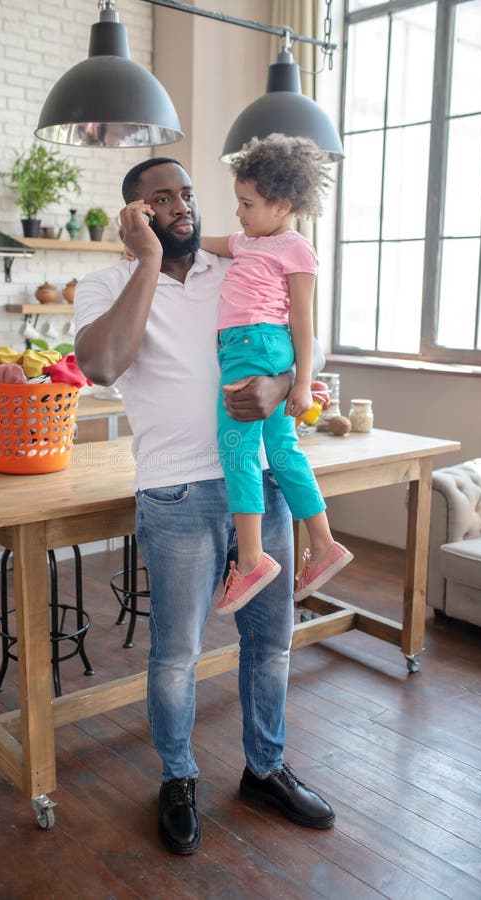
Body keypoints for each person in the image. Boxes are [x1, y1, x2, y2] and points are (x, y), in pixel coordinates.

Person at [74, 157, 335, 856]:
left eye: (187, 193)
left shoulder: (237, 262)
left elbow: (304, 337)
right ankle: (179, 777)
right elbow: (100, 365)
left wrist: (284, 388)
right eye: (161, 198)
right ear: (134, 213)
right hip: (178, 492)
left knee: (270, 643)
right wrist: (148, 261)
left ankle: (265, 767)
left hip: (260, 485)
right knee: (177, 654)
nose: (182, 205)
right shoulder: (108, 282)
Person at [201, 135, 353, 616]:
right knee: (281, 449)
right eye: (238, 202)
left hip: (254, 344)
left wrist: (302, 381)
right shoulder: (248, 241)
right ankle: (324, 542)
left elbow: (304, 323)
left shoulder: (295, 247)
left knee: (236, 448)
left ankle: (249, 559)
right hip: (252, 345)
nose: (240, 213)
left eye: (247, 203)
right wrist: (156, 247)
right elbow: (204, 243)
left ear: (283, 204)